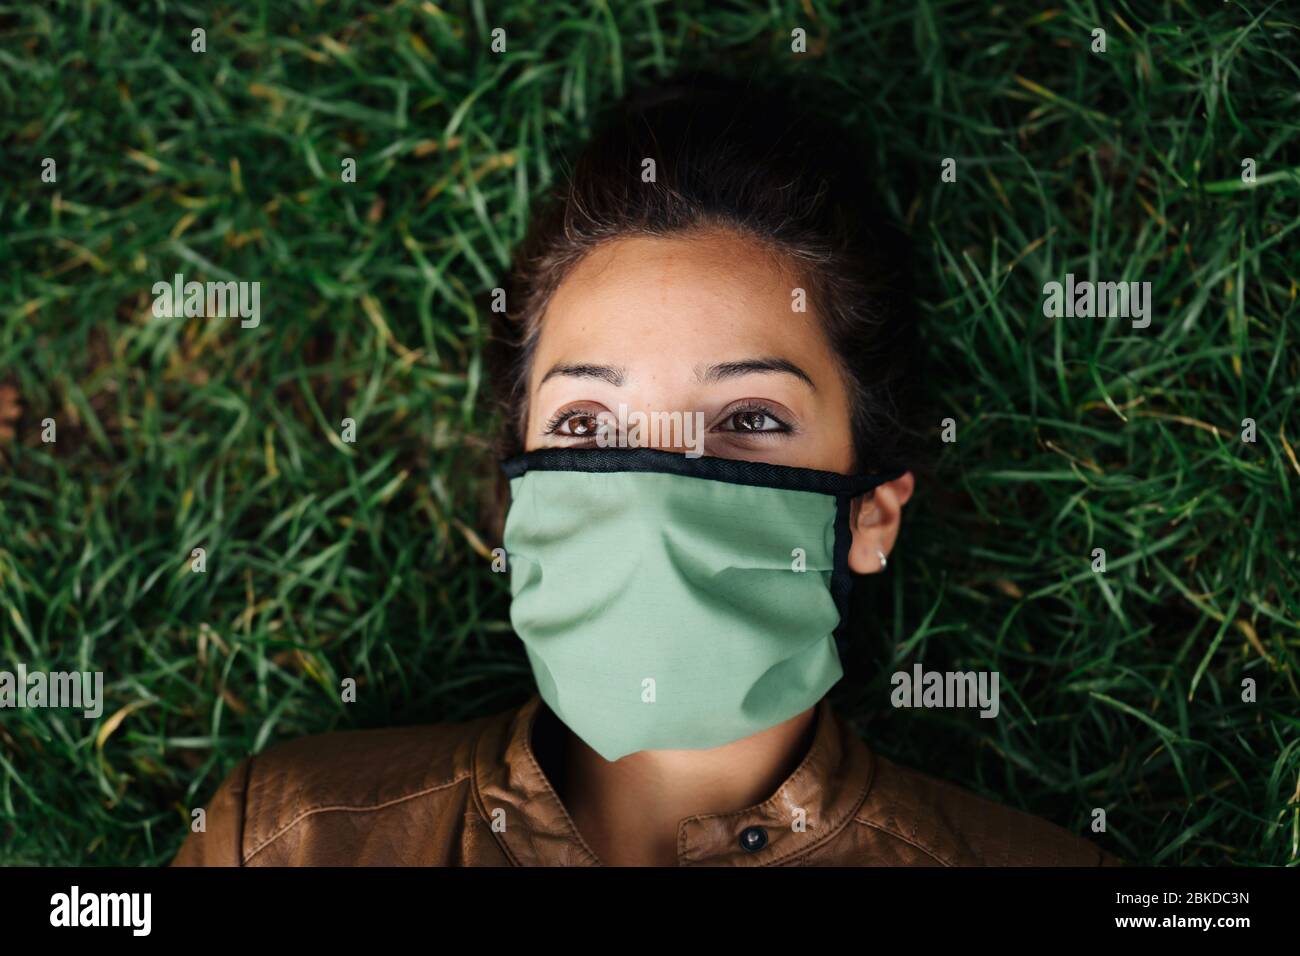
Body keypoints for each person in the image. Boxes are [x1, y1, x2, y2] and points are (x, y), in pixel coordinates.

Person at [172, 73, 1116, 868]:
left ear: (872, 513)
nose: (655, 503)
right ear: (516, 506)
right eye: (586, 424)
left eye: (748, 417)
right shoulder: (286, 841)